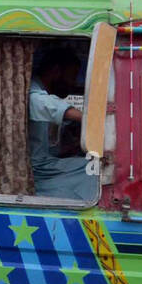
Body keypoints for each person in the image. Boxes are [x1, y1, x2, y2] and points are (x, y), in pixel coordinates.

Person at [29, 47, 95, 200]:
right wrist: (88, 119)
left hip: (45, 163)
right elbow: (43, 104)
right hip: (38, 169)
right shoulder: (33, 92)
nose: (73, 84)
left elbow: (42, 146)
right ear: (56, 71)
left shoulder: (43, 92)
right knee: (95, 169)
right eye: (72, 77)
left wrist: (70, 148)